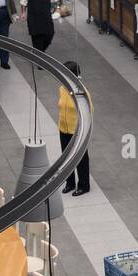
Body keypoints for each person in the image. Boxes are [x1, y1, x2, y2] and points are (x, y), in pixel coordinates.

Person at [57, 61, 91, 196]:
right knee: (66, 158)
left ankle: (84, 185)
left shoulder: (81, 92)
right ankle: (69, 183)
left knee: (81, 159)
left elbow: (90, 110)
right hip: (63, 129)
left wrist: (82, 128)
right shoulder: (62, 88)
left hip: (77, 131)